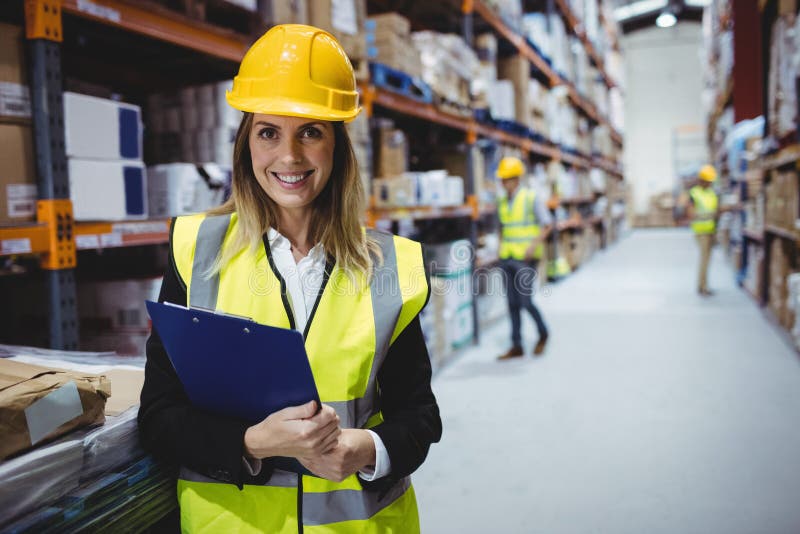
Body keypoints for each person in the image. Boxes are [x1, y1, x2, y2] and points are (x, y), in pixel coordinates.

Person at [137, 25, 441, 533]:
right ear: (246, 142)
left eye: (311, 132)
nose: (290, 157)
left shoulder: (391, 266)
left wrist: (366, 450)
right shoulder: (197, 251)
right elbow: (159, 419)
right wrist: (252, 443)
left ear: (337, 146)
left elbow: (420, 417)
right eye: (269, 131)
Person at [495, 156, 552, 360]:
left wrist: (533, 246)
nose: (503, 183)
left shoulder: (530, 197)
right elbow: (503, 227)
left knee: (525, 301)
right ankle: (517, 345)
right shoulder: (502, 200)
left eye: (506, 179)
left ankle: (543, 333)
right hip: (507, 256)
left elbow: (547, 225)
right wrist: (499, 247)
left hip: (526, 259)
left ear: (516, 179)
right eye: (501, 179)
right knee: (511, 303)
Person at [688, 164, 719, 296]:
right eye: (708, 181)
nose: (710, 184)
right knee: (704, 259)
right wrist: (710, 215)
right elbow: (691, 214)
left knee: (707, 259)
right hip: (701, 232)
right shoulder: (694, 193)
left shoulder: (712, 193)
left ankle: (703, 284)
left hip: (711, 230)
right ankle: (702, 287)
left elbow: (716, 210)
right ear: (702, 180)